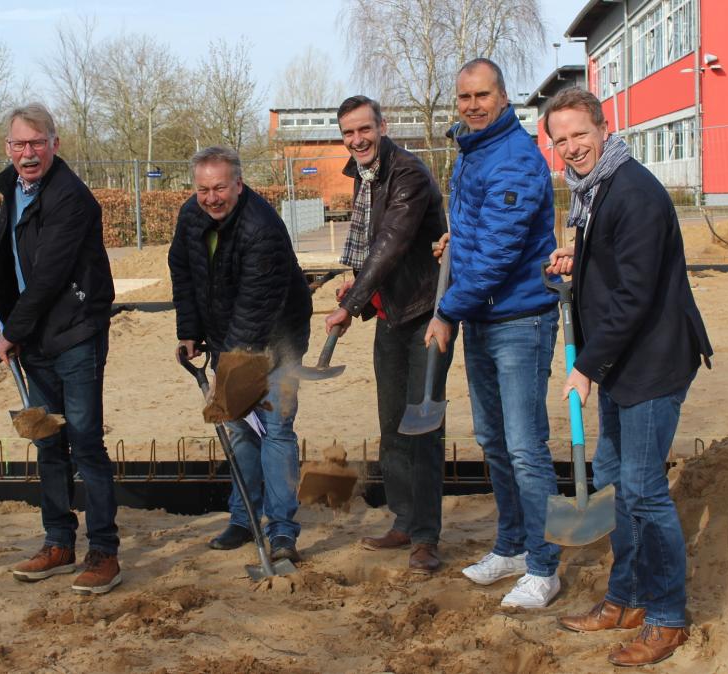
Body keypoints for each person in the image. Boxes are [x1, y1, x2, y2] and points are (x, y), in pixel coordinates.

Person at [544, 87, 712, 666]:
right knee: (616, 480)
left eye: (579, 135)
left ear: (603, 127)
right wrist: (578, 257)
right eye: (560, 140)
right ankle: (626, 599)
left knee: (643, 490)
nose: (571, 148)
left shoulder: (635, 192)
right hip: (623, 361)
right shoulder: (596, 190)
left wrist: (585, 367)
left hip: (652, 362)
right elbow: (615, 265)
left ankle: (667, 617)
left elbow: (637, 294)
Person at [424, 59, 561, 608]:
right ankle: (511, 546)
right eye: (464, 97)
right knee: (494, 441)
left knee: (526, 448)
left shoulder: (514, 160)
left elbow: (500, 255)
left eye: (482, 95)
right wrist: (456, 241)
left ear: (504, 97)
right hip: (485, 315)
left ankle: (545, 565)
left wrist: (447, 311)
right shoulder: (474, 150)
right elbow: (481, 235)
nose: (472, 105)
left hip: (520, 321)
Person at [0, 103, 121, 595]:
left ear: (55, 144)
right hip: (36, 334)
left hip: (73, 331)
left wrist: (10, 332)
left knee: (84, 441)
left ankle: (104, 552)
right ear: (8, 149)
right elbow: (11, 236)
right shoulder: (14, 186)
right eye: (20, 144)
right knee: (47, 441)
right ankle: (59, 542)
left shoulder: (71, 198)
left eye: (37, 143)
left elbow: (51, 274)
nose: (28, 153)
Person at [324, 95, 453, 575]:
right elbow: (370, 250)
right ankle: (405, 519)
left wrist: (350, 302)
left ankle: (425, 538)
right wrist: (358, 285)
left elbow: (392, 243)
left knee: (423, 423)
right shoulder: (364, 176)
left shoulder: (408, 174)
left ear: (382, 125)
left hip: (426, 314)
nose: (356, 140)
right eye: (348, 133)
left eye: (364, 129)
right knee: (392, 423)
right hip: (390, 313)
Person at [169, 146, 312, 562]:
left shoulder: (260, 228)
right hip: (228, 336)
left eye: (220, 188)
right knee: (240, 430)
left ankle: (282, 532)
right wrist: (190, 331)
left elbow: (254, 310)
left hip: (277, 339)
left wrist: (226, 374)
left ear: (238, 184)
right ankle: (243, 518)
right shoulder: (191, 215)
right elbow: (181, 268)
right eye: (203, 189)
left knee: (276, 430)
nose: (212, 198)